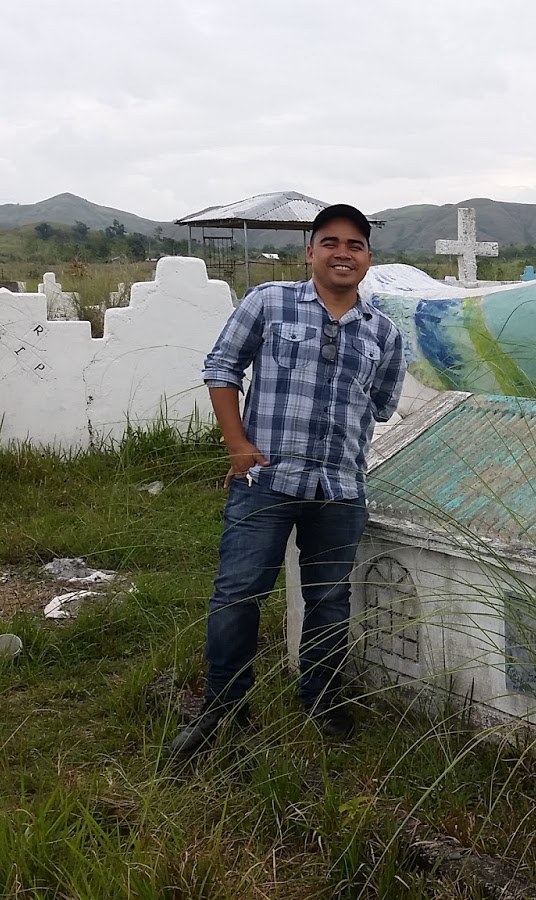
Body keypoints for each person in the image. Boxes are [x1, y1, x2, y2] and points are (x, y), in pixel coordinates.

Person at [169, 204, 405, 762]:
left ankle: (322, 701)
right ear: (311, 252)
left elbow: (381, 405)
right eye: (330, 242)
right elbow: (222, 366)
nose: (342, 253)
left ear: (368, 258)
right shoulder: (269, 302)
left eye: (354, 244)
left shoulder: (384, 333)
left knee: (329, 598)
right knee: (239, 592)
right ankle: (223, 707)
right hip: (266, 481)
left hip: (341, 490)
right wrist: (237, 444)